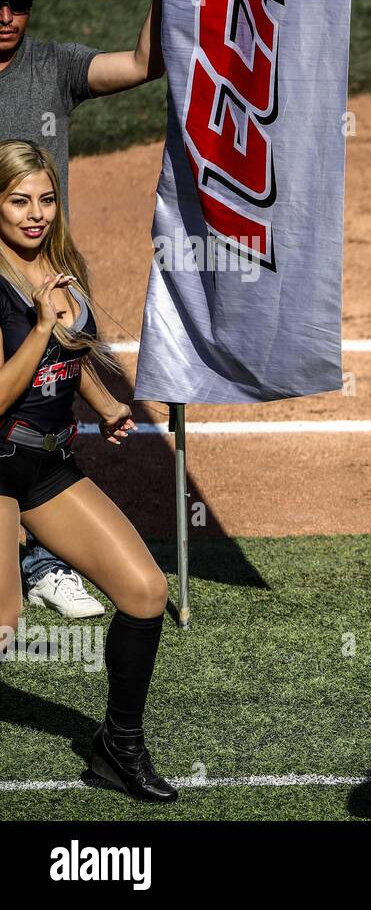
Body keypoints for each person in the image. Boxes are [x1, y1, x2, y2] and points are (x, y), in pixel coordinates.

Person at [0, 140, 176, 803]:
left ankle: (117, 749)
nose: (35, 213)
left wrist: (107, 405)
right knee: (3, 621)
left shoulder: (60, 265)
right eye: (18, 201)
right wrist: (42, 325)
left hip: (44, 466)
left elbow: (69, 361)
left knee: (144, 591)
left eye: (46, 199)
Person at [0, 0, 163, 617]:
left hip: (40, 273)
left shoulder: (53, 68)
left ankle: (37, 558)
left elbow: (144, 63)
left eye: (16, 2)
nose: (4, 16)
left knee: (37, 410)